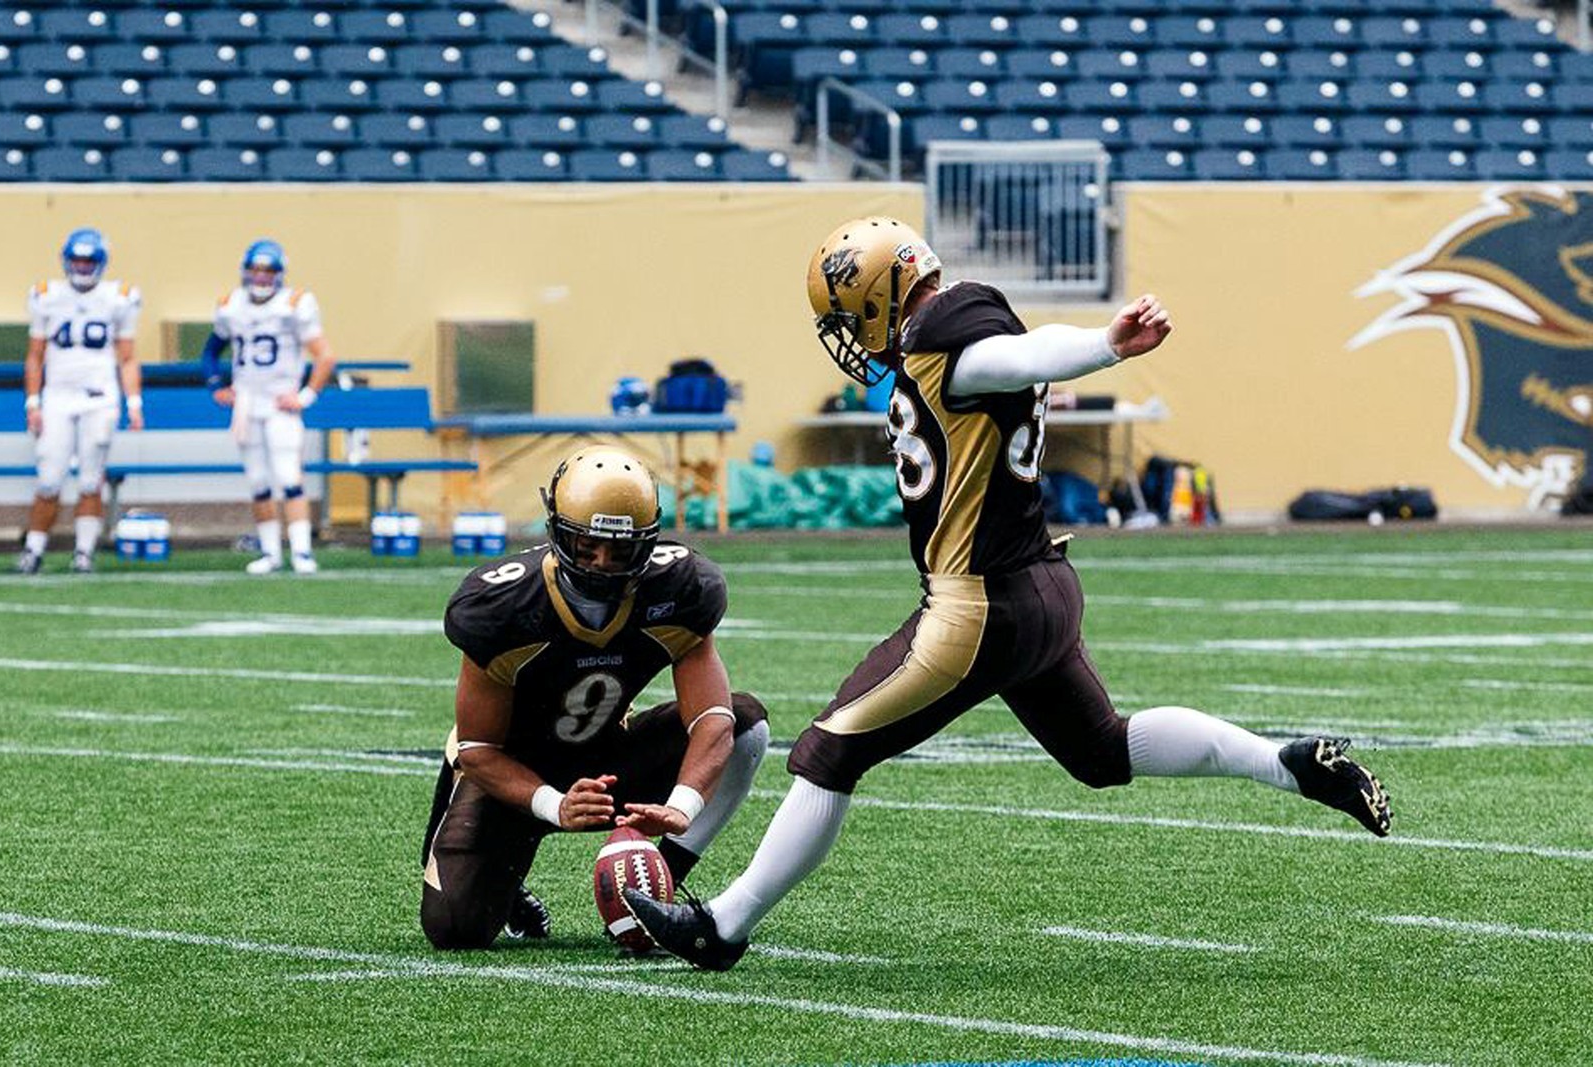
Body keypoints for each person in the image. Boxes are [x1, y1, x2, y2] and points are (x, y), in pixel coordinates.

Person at [624, 215, 1393, 970]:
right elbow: (1018, 354)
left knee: (829, 751)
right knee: (1103, 748)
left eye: (851, 315)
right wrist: (1092, 345)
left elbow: (1019, 355)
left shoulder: (944, 340)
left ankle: (723, 925)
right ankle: (1285, 762)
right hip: (1042, 588)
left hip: (976, 604)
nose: (852, 336)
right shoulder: (949, 335)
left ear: (879, 296)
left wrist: (1105, 344)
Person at [420, 444, 770, 951]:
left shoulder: (680, 587)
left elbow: (712, 719)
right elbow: (478, 750)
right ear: (557, 530)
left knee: (746, 722)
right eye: (586, 546)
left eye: (619, 550)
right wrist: (555, 805)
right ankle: (505, 880)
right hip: (511, 772)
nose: (602, 563)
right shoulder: (502, 605)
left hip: (608, 755)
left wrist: (680, 808)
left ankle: (658, 889)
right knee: (455, 927)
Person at [200, 239, 336, 575]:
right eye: (256, 270)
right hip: (247, 404)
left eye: (268, 270)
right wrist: (216, 385)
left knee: (289, 477)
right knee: (259, 482)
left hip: (279, 403)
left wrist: (305, 396)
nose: (261, 277)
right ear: (246, 271)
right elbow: (211, 351)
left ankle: (302, 552)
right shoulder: (231, 305)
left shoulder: (295, 304)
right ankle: (271, 553)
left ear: (279, 274)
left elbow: (325, 356)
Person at [17, 227, 144, 575]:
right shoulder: (46, 295)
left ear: (101, 262)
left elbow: (127, 357)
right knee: (48, 478)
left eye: (89, 261)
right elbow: (35, 356)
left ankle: (84, 552)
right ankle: (34, 550)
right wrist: (32, 402)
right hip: (57, 397)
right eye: (77, 261)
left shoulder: (119, 297)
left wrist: (134, 403)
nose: (82, 267)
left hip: (99, 398)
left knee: (91, 479)